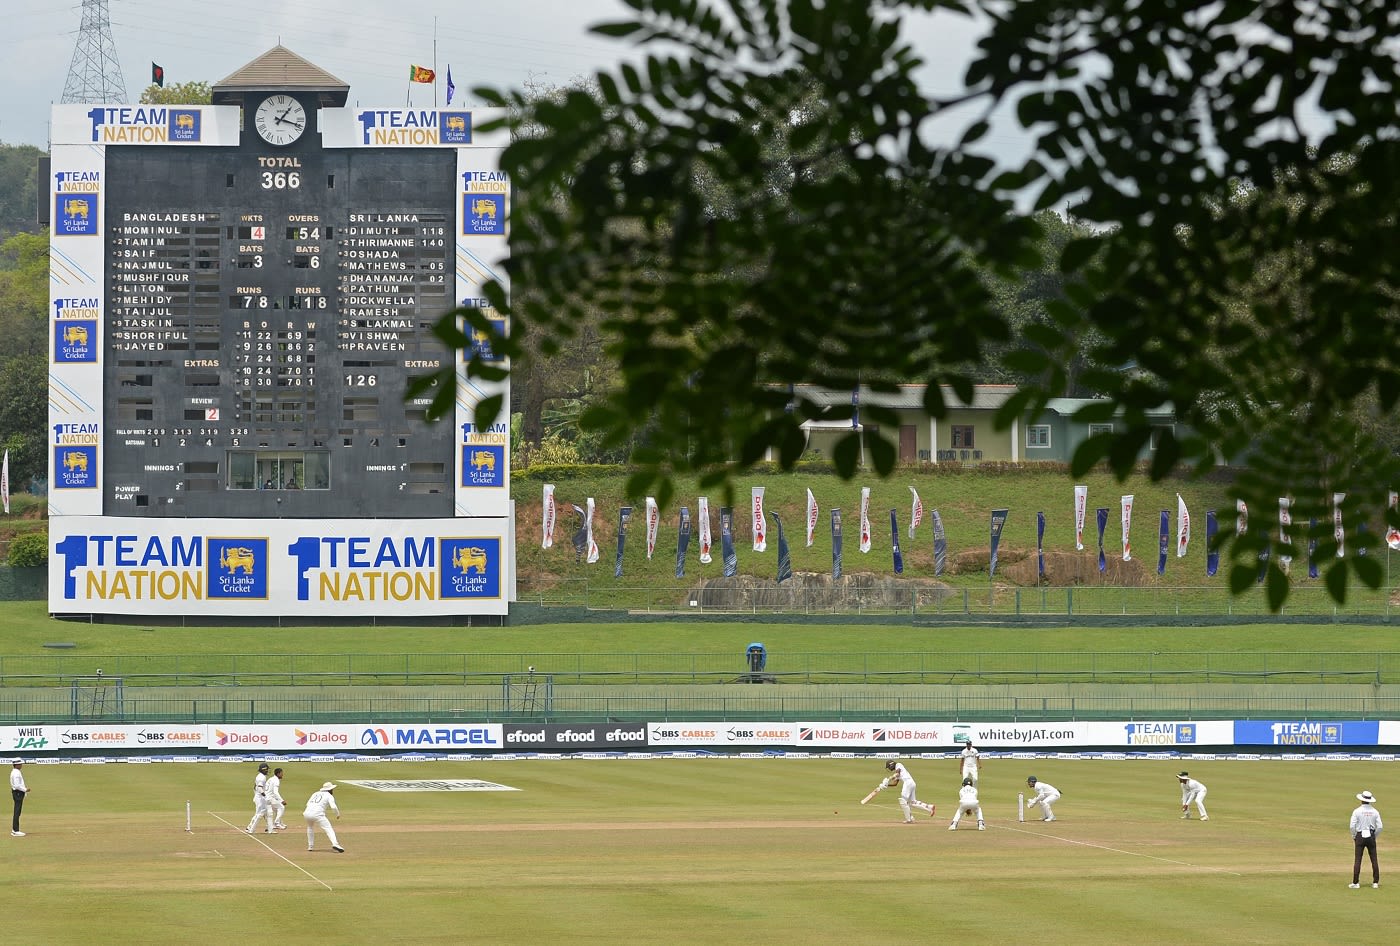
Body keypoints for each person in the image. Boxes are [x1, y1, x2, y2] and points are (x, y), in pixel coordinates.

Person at [884, 759, 935, 824]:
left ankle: (909, 819)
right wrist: (886, 785)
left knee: (903, 801)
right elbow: (895, 784)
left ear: (891, 765)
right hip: (912, 783)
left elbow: (897, 773)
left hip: (908, 783)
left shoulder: (898, 765)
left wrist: (889, 779)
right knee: (912, 802)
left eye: (888, 767)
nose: (889, 768)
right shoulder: (897, 772)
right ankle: (930, 807)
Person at [1350, 790, 1382, 889]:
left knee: (1358, 859)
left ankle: (1356, 883)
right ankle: (1375, 882)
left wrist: (1354, 835)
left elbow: (1352, 826)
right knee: (1374, 859)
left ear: (1361, 800)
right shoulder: (1375, 811)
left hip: (1360, 835)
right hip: (1371, 835)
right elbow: (1380, 827)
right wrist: (1374, 836)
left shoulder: (1357, 811)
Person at [304, 781, 344, 853]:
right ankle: (335, 844)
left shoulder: (315, 793)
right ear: (330, 790)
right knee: (328, 828)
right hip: (318, 814)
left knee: (310, 827)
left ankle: (310, 846)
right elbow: (334, 807)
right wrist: (337, 814)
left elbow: (307, 804)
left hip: (307, 813)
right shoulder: (329, 796)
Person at [245, 762, 271, 834]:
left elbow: (255, 788)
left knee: (266, 813)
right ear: (264, 770)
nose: (268, 771)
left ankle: (269, 827)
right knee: (259, 813)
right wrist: (265, 796)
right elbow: (259, 788)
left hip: (259, 797)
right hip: (260, 798)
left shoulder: (260, 776)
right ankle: (249, 827)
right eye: (267, 770)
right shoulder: (261, 777)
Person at [10, 759, 28, 837]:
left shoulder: (15, 771)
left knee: (18, 811)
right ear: (16, 765)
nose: (21, 765)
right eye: (20, 764)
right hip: (18, 793)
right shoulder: (16, 773)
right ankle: (15, 830)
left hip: (17, 792)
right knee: (17, 811)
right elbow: (17, 785)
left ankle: (15, 830)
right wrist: (25, 789)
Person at [265, 767, 287, 831]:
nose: (282, 774)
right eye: (281, 773)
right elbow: (275, 792)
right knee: (281, 807)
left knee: (277, 810)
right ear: (278, 774)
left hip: (266, 797)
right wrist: (281, 800)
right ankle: (277, 823)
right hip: (270, 798)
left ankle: (280, 823)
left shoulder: (271, 779)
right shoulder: (276, 780)